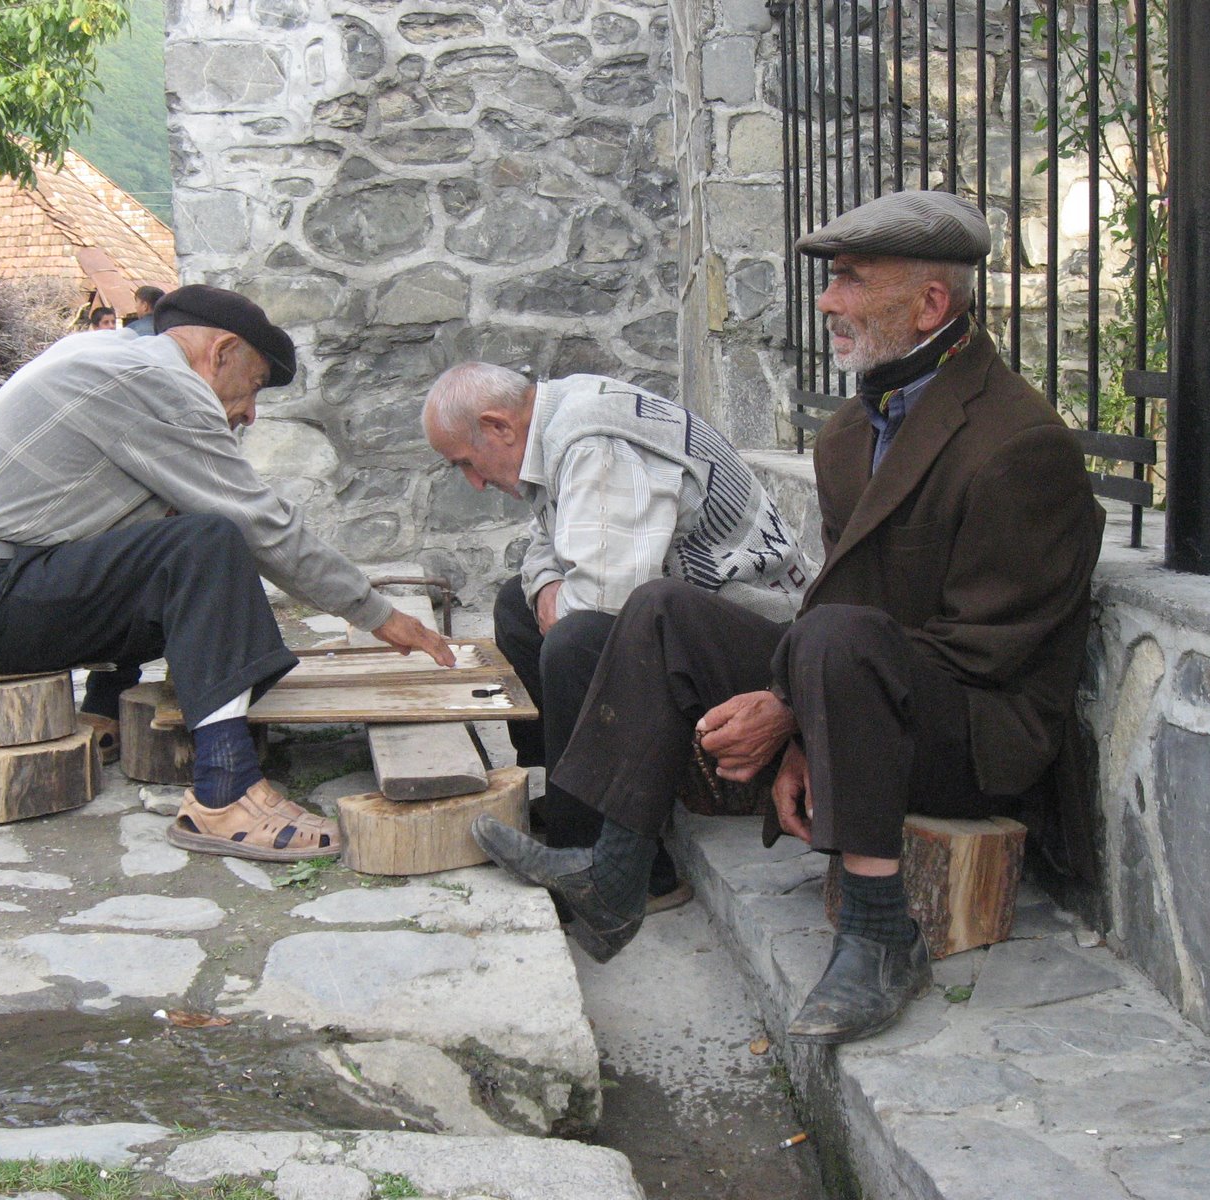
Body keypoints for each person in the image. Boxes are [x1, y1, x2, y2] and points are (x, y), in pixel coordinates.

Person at [472, 191, 1105, 1045]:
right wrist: (798, 704)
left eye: (851, 281)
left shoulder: (1019, 443)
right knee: (659, 609)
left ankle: (880, 936)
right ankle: (615, 872)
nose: (827, 302)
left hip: (976, 732)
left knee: (839, 638)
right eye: (832, 279)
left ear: (930, 304)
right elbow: (839, 611)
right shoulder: (850, 434)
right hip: (863, 683)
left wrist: (796, 713)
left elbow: (985, 654)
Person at [0, 284, 453, 862]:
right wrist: (376, 613)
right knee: (208, 541)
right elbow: (262, 525)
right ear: (221, 352)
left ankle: (104, 709)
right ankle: (225, 791)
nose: (250, 412)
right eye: (254, 386)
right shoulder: (158, 383)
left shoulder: (104, 354)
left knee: (173, 519)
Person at [424, 363, 812, 912]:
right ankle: (567, 794)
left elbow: (608, 603)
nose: (475, 482)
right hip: (693, 624)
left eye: (466, 462)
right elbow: (545, 542)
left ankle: (614, 865)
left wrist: (559, 598)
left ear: (498, 426)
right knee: (517, 605)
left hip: (768, 646)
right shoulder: (554, 422)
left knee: (578, 642)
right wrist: (546, 586)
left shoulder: (594, 443)